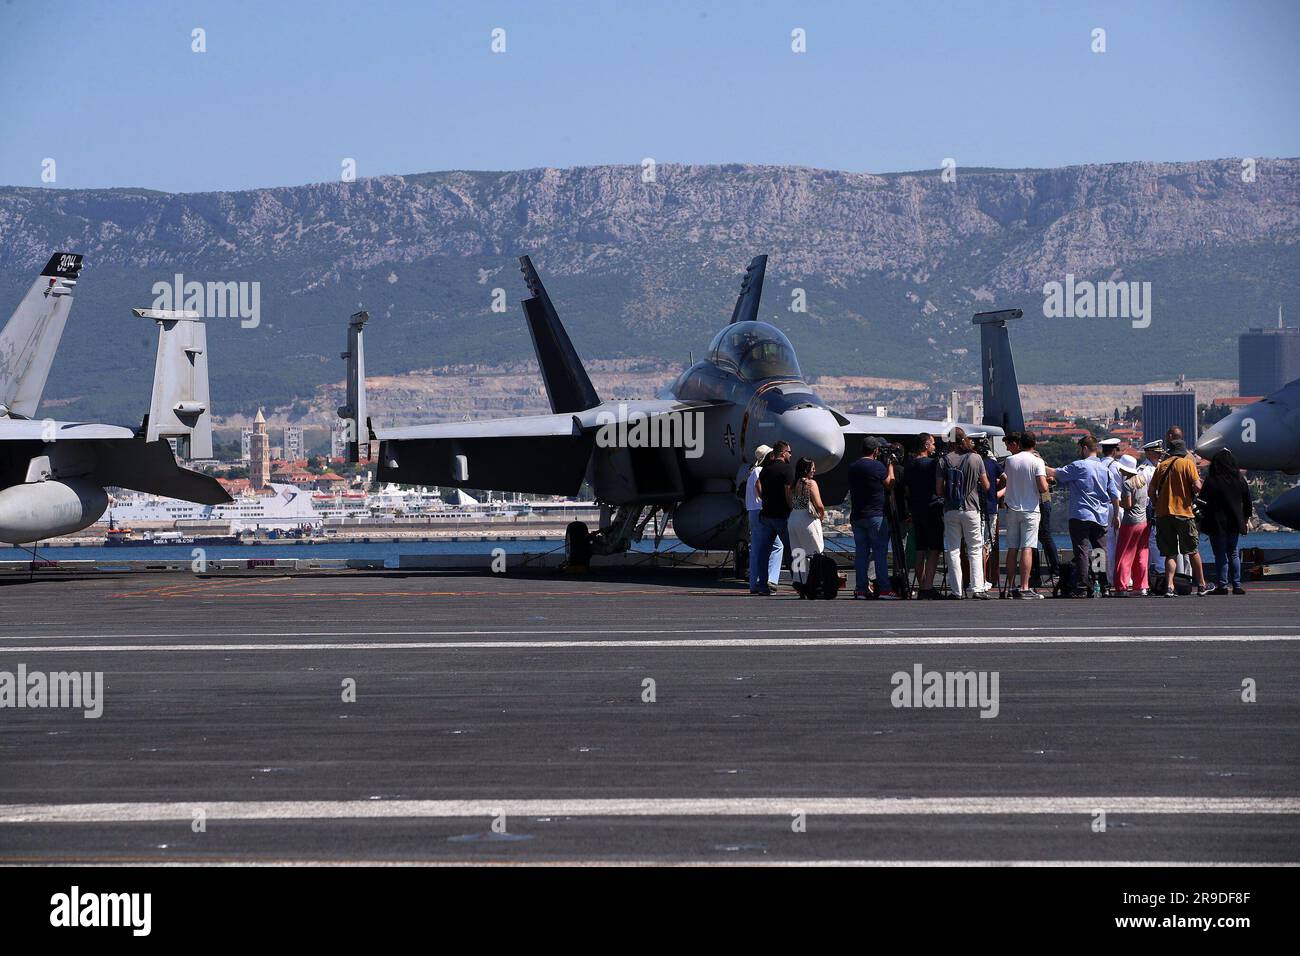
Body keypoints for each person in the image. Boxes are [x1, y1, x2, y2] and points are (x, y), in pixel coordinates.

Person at [1053, 435, 1121, 598]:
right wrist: (1116, 515)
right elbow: (1114, 495)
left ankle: (1082, 586)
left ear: (1084, 448)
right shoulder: (1105, 469)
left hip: (1080, 515)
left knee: (1082, 551)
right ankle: (1103, 584)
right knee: (1099, 551)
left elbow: (1057, 474)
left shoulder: (1079, 466)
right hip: (1100, 515)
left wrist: (1038, 464)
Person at [1148, 430, 1209, 597]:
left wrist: (1156, 504)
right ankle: (1202, 584)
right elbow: (1197, 487)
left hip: (1163, 514)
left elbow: (1151, 491)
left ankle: (1169, 586)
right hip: (1184, 512)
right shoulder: (1187, 464)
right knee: (1192, 551)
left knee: (1170, 554)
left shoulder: (1161, 466)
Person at [935, 427, 991, 599]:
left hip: (951, 510)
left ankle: (956, 590)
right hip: (972, 509)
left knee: (953, 550)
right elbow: (987, 485)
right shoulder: (976, 458)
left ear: (950, 441)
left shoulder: (944, 460)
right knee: (974, 549)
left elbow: (938, 490)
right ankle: (977, 588)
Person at [1001, 431, 1050, 599]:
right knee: (1027, 547)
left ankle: (1010, 586)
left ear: (1020, 443)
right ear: (1034, 444)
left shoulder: (1010, 460)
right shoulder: (1037, 461)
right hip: (1030, 508)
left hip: (1012, 508)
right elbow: (1043, 487)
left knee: (1012, 548)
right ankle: (1024, 586)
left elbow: (1009, 480)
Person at [1197, 448, 1253, 595]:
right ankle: (1237, 585)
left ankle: (1222, 585)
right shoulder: (1240, 480)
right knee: (1233, 553)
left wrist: (1198, 518)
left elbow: (1201, 501)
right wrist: (1245, 520)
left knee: (1220, 554)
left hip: (1216, 522)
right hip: (1235, 522)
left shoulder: (1211, 480)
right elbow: (1248, 503)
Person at [848, 436, 898, 599]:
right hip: (875, 515)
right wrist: (890, 465)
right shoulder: (877, 466)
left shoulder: (853, 467)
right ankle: (884, 588)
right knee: (879, 553)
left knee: (861, 553)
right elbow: (889, 484)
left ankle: (861, 589)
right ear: (876, 450)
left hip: (857, 515)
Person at [902, 432, 943, 598]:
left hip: (917, 510)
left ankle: (921, 584)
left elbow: (907, 490)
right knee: (934, 549)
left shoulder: (909, 465)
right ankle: (927, 586)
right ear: (926, 445)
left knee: (920, 548)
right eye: (932, 443)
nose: (934, 447)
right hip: (932, 508)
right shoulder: (933, 464)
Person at [752, 441, 793, 596]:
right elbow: (788, 491)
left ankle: (762, 585)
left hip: (766, 515)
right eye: (789, 451)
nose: (790, 454)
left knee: (764, 552)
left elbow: (758, 486)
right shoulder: (787, 469)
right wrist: (792, 508)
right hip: (782, 515)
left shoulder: (765, 470)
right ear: (783, 453)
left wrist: (765, 498)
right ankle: (798, 581)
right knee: (791, 551)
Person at [744, 444, 782, 595]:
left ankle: (754, 583)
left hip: (752, 511)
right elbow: (762, 492)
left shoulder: (752, 471)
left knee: (756, 549)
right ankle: (771, 579)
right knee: (777, 546)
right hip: (762, 511)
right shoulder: (762, 471)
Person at [787, 456, 828, 594]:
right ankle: (817, 583)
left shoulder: (794, 484)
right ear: (806, 469)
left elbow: (791, 503)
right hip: (807, 518)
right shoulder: (811, 483)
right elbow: (819, 505)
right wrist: (821, 517)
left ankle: (800, 582)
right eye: (812, 467)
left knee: (799, 553)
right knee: (817, 552)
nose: (814, 470)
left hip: (793, 517)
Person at [1113, 454, 1150, 595]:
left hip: (1130, 522)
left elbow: (1127, 505)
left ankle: (1121, 587)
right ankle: (1141, 587)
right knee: (1141, 554)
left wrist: (1116, 502)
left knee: (1124, 554)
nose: (1120, 471)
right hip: (1143, 521)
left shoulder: (1127, 483)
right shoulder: (1142, 480)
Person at [1098, 437, 1124, 588]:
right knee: (1119, 543)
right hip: (1116, 506)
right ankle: (1119, 577)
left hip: (1100, 508)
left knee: (1102, 544)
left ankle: (1103, 578)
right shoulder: (1117, 467)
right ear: (1114, 450)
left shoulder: (1098, 465)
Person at [1140, 439, 1166, 583]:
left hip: (1159, 508)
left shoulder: (1159, 467)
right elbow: (1144, 494)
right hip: (1150, 509)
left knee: (1156, 541)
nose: (1160, 455)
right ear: (1149, 453)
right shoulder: (1144, 470)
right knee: (1152, 541)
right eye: (1157, 453)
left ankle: (1157, 572)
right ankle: (1158, 572)